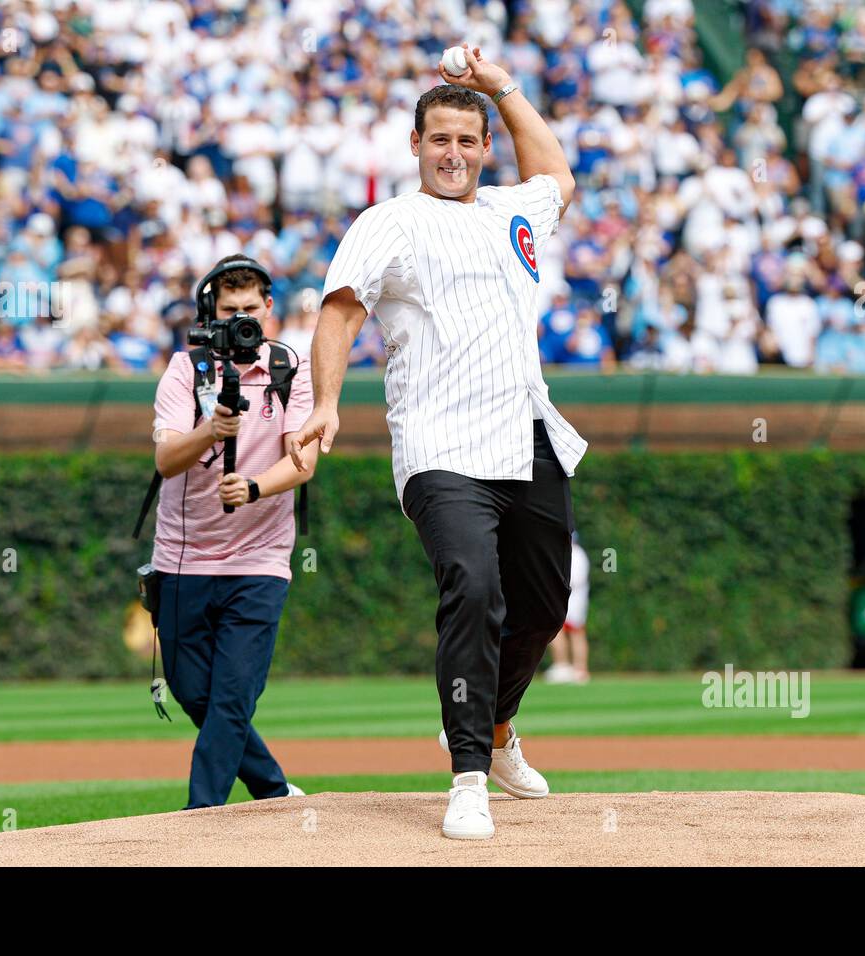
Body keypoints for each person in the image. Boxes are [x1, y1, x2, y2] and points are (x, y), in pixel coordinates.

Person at [289, 46, 587, 840]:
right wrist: (324, 402)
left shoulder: (510, 212)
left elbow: (557, 174)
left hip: (527, 436)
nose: (452, 153)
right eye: (438, 140)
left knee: (545, 606)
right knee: (474, 589)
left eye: (466, 139)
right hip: (439, 445)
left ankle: (495, 730)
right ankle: (467, 776)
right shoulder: (390, 221)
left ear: (485, 148)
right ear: (414, 146)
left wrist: (503, 87)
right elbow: (342, 313)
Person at [149, 255, 318, 809]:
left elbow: (304, 461)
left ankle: (200, 816)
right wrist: (209, 432)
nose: (240, 320)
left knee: (232, 694)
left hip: (260, 559)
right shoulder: (185, 368)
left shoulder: (292, 369)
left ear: (268, 308)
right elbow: (167, 458)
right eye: (229, 311)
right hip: (182, 557)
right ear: (209, 312)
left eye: (250, 310)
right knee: (192, 691)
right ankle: (272, 789)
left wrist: (252, 487)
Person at [544, 532, 591, 684]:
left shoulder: (575, 554)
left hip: (571, 602)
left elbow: (573, 580)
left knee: (565, 632)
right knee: (568, 633)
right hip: (571, 601)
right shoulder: (575, 553)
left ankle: (569, 667)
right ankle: (569, 668)